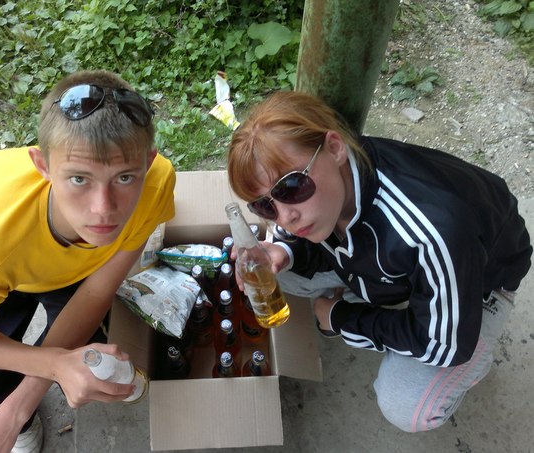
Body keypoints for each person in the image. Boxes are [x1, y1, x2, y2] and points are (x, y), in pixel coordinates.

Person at [227, 90, 532, 432]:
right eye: (265, 205)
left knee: (406, 404)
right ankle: (380, 288)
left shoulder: (428, 233)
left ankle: (474, 354)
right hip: (401, 263)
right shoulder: (327, 192)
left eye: (292, 187)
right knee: (270, 271)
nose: (285, 216)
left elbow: (445, 346)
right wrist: (286, 251)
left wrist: (341, 318)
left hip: (480, 281)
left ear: (335, 147)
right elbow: (294, 235)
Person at [0, 70, 176, 452]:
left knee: (100, 358)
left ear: (148, 163)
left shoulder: (156, 183)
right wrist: (33, 390)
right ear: (42, 166)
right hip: (3, 268)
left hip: (74, 270)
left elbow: (95, 293)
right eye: (79, 179)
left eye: (125, 178)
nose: (103, 210)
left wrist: (25, 396)